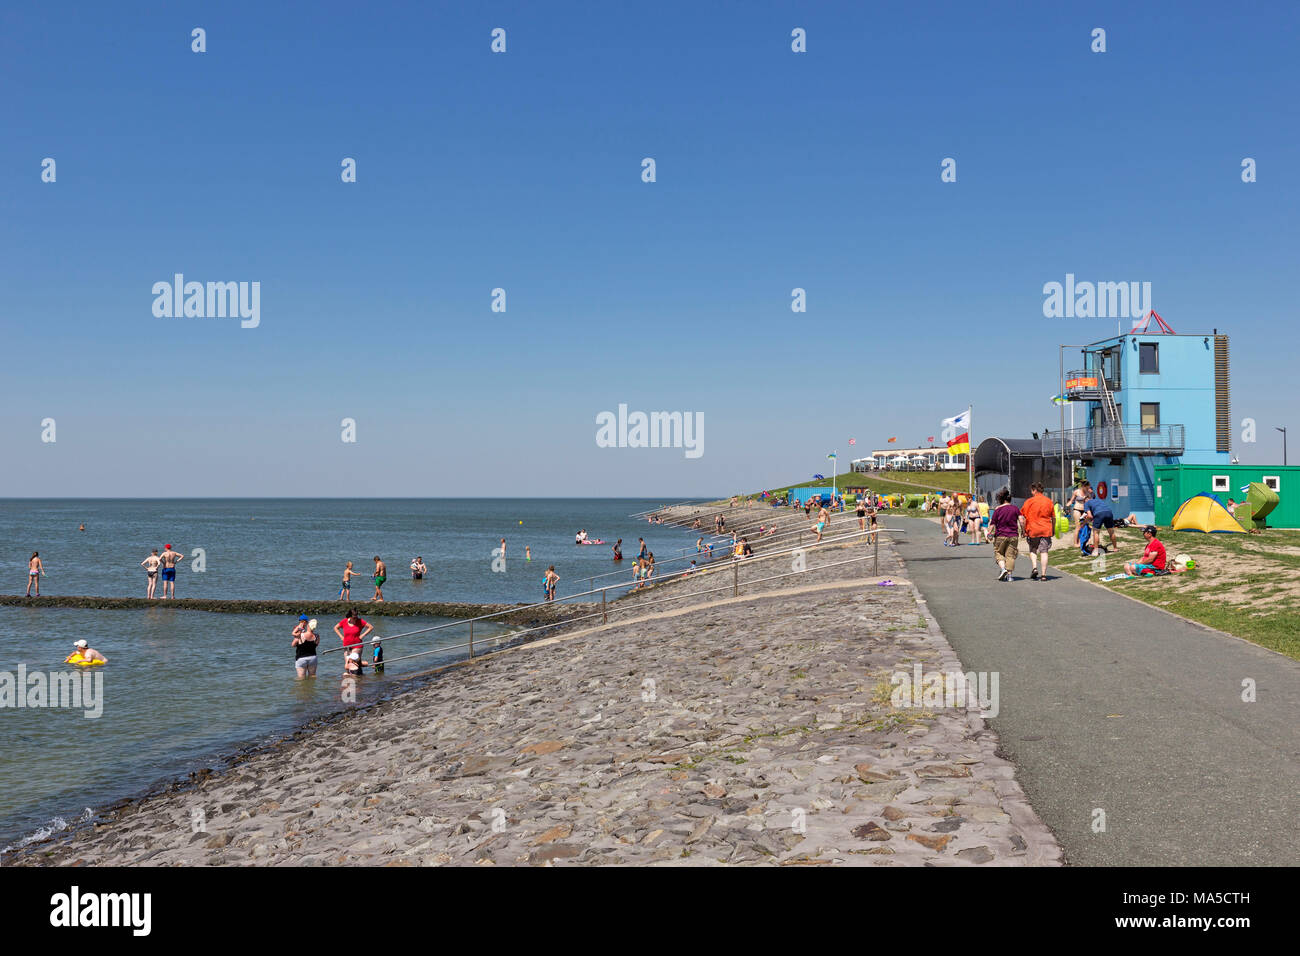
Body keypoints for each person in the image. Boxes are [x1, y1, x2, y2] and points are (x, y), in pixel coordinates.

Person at [1020, 482, 1056, 581]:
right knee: (1044, 552)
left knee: (1033, 549)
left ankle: (1035, 568)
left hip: (1032, 529)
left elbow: (1022, 518)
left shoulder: (1028, 502)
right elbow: (1053, 518)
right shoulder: (1049, 501)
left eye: (1031, 490)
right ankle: (1044, 575)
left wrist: (1023, 531)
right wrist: (1053, 529)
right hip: (1045, 529)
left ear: (1034, 490)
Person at [990, 488, 1023, 581]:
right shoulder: (1015, 508)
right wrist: (1023, 531)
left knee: (998, 553)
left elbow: (992, 524)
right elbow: (1021, 520)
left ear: (1001, 499)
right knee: (1010, 555)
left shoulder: (998, 510)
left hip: (1000, 535)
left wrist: (989, 533)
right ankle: (1009, 576)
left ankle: (1003, 569)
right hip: (1013, 535)